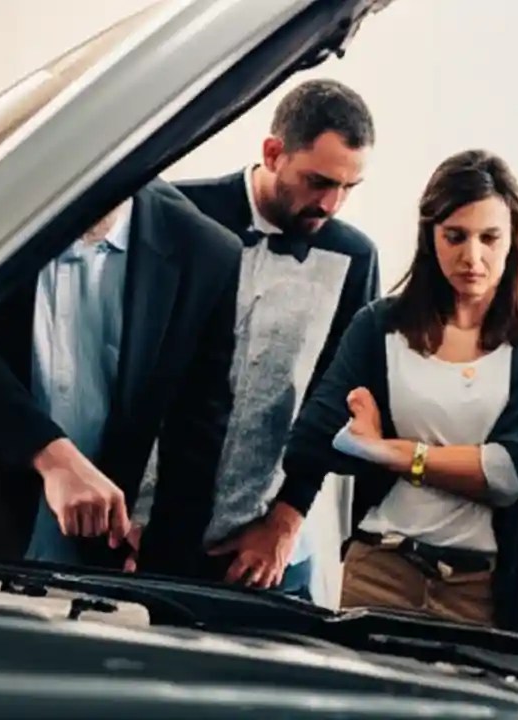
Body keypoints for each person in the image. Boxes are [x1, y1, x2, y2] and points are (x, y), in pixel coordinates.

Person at [279, 149, 518, 635]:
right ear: (430, 236)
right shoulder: (380, 327)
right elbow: (315, 437)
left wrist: (388, 451)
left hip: (483, 591)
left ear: (516, 240)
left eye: (490, 237)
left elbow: (504, 475)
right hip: (381, 569)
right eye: (455, 236)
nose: (473, 256)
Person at [0, 179, 240, 577]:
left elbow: (197, 435)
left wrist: (161, 570)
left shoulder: (207, 254)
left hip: (95, 550)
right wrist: (54, 458)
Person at [132, 79, 380, 600]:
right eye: (318, 181)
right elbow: (130, 367)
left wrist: (287, 520)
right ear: (272, 153)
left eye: (348, 188)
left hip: (260, 549)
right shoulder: (177, 213)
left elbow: (335, 398)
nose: (332, 204)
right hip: (141, 529)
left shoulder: (356, 257)